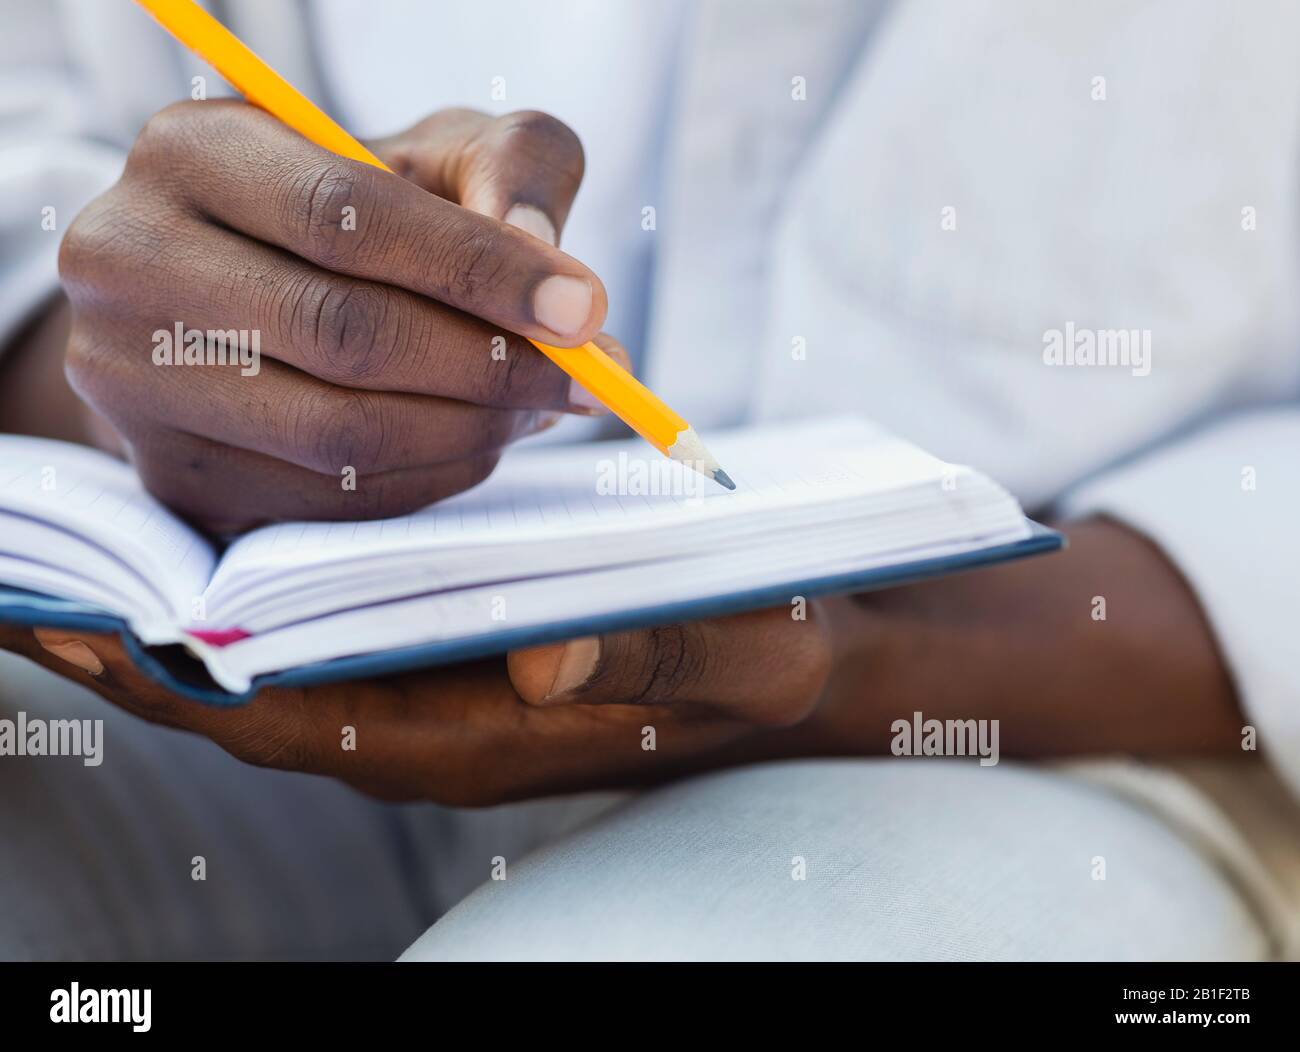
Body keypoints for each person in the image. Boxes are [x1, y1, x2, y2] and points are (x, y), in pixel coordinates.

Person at [1, 0, 1297, 960]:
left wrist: (869, 658)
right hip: (267, 695)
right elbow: (40, 174)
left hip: (1060, 756)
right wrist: (167, 374)